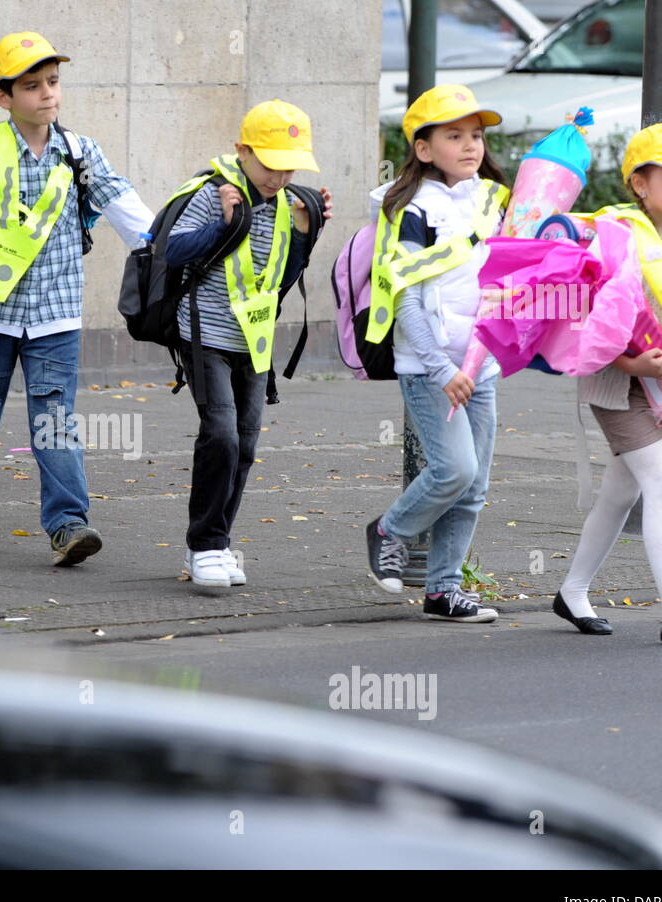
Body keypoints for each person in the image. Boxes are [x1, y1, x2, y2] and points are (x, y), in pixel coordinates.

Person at [0, 31, 153, 565]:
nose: (47, 94)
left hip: (56, 318)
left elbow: (126, 209)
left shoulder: (79, 151)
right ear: (3, 97)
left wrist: (176, 246)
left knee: (57, 422)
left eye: (52, 82)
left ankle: (68, 524)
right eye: (32, 86)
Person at [555, 124, 662, 646]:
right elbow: (580, 314)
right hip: (617, 385)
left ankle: (572, 592)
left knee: (620, 493)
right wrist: (632, 366)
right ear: (638, 182)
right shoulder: (614, 232)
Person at [164, 100, 331, 588]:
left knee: (246, 444)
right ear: (242, 150)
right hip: (204, 332)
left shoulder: (287, 202)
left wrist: (306, 231)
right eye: (271, 164)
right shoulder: (213, 192)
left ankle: (219, 541)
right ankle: (206, 546)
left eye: (290, 166)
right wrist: (224, 225)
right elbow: (169, 249)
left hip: (254, 339)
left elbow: (282, 278)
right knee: (221, 434)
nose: (280, 177)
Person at [364, 84, 511, 623]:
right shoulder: (411, 209)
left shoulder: (493, 200)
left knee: (474, 486)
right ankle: (389, 530)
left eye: (476, 134)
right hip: (430, 367)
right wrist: (441, 366)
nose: (471, 145)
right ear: (424, 149)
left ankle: (443, 590)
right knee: (453, 471)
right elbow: (403, 296)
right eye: (455, 135)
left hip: (482, 365)